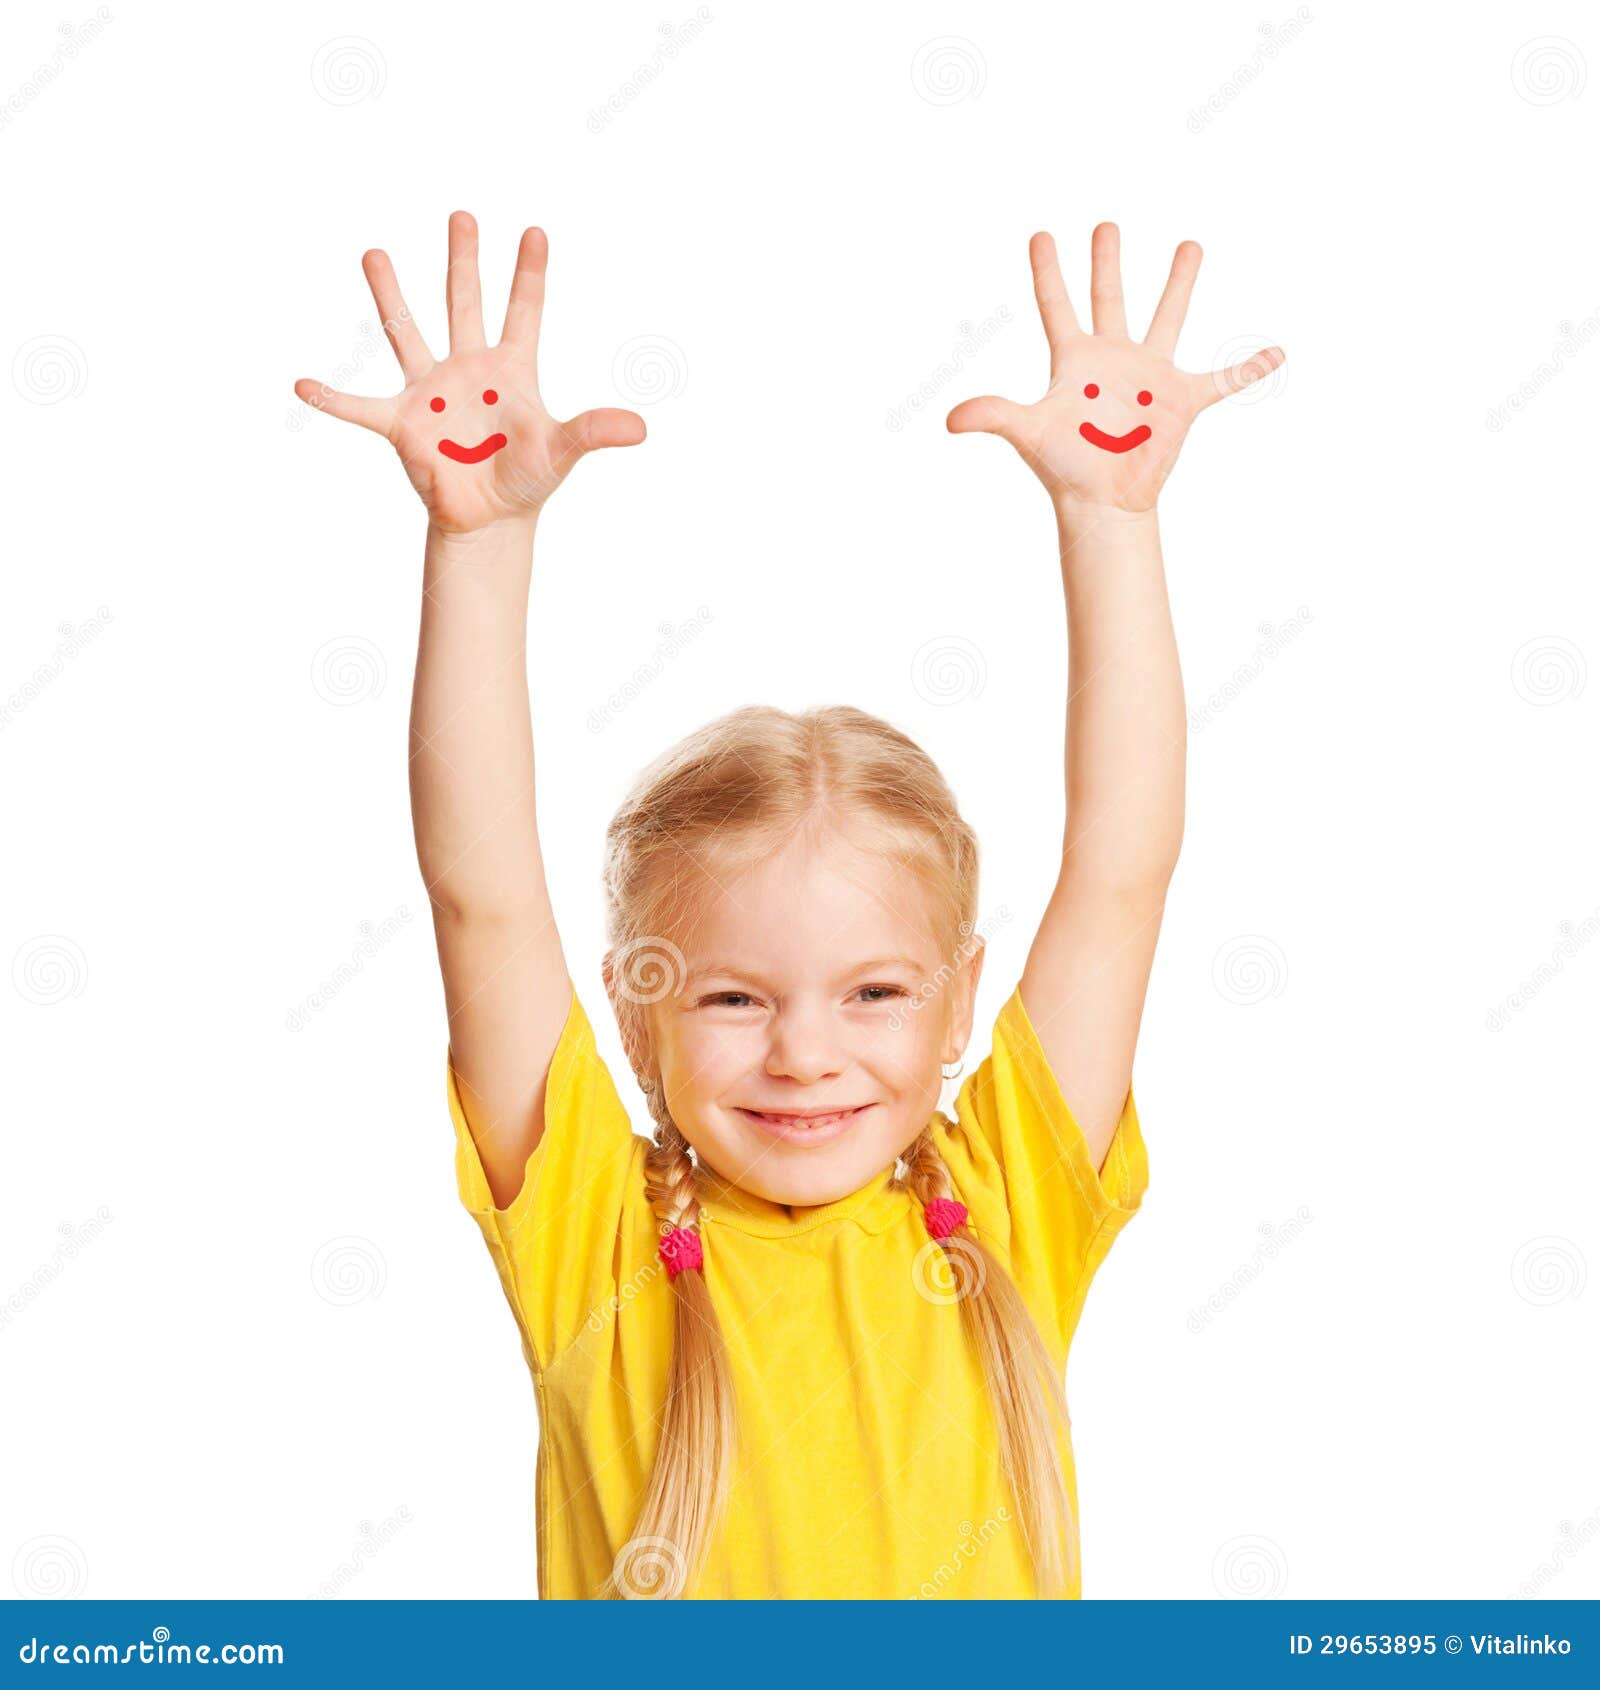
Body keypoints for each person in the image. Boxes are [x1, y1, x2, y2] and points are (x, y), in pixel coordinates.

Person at [294, 213, 1282, 1599]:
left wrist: (1111, 521)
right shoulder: (594, 1239)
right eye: (731, 995)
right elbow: (483, 899)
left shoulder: (1005, 1204)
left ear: (957, 1000)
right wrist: (482, 543)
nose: (806, 1054)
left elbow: (1124, 868)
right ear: (637, 1016)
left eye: (874, 991)